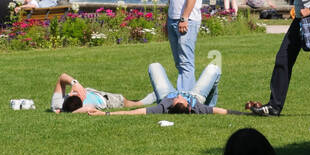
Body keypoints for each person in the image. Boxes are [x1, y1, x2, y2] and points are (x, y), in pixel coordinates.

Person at [86, 61, 228, 116]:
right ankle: (210, 100)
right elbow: (223, 111)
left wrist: (105, 114)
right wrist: (248, 114)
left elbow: (136, 112)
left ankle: (153, 96)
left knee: (154, 66)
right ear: (189, 106)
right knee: (214, 68)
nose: (179, 96)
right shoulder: (197, 107)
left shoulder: (164, 106)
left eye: (177, 99)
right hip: (197, 96)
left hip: (166, 93)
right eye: (182, 99)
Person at [52, 73, 148, 113]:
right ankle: (144, 101)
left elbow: (62, 77)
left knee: (131, 101)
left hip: (93, 91)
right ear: (82, 102)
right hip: (106, 100)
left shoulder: (57, 104)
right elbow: (89, 108)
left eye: (72, 94)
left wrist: (74, 83)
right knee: (129, 103)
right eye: (79, 96)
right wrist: (73, 113)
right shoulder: (87, 106)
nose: (77, 93)